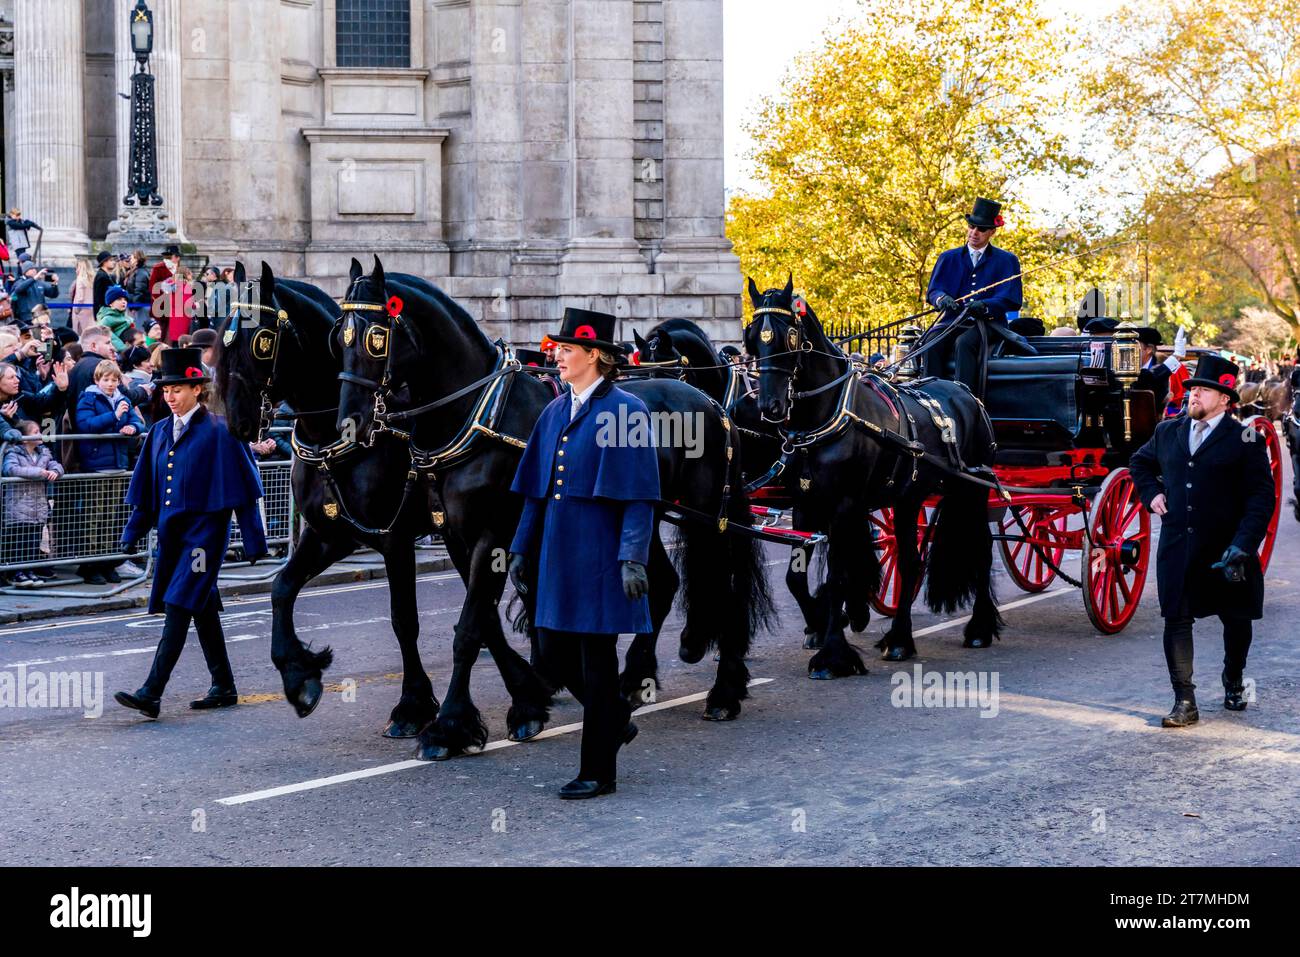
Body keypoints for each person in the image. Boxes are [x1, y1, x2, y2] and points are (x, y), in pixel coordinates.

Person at [508, 307, 659, 799]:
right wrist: (519, 550)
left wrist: (633, 555)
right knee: (549, 652)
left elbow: (640, 493)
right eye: (557, 349)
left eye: (567, 350)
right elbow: (534, 492)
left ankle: (598, 771)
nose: (557, 357)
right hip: (557, 553)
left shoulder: (627, 410)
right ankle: (615, 718)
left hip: (600, 555)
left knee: (598, 665)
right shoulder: (553, 410)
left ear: (596, 356)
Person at [113, 348, 267, 718]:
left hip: (204, 540)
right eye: (166, 390)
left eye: (178, 389)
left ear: (198, 389)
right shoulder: (159, 432)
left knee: (180, 604)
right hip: (172, 538)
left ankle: (151, 691)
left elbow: (245, 489)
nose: (170, 397)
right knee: (202, 606)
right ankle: (224, 684)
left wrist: (253, 540)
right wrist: (131, 532)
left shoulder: (220, 430)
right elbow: (146, 491)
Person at [1129, 354, 1277, 728]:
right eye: (1192, 388)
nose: (1193, 394)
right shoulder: (1168, 431)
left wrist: (1244, 543)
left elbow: (1261, 497)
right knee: (1176, 619)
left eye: (1203, 390)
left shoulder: (1245, 438)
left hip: (1228, 549)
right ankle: (1184, 700)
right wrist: (1151, 494)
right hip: (1179, 545)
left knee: (1236, 619)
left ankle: (1233, 677)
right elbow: (1140, 463)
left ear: (1225, 398)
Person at [923, 198, 1028, 391]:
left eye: (981, 229)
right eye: (972, 227)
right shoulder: (948, 257)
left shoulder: (1007, 260)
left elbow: (1012, 298)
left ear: (992, 232)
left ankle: (965, 399)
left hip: (988, 324)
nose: (974, 233)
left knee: (964, 344)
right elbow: (933, 291)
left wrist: (986, 305)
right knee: (930, 342)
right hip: (952, 321)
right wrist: (941, 298)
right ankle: (930, 396)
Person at [76, 360, 145, 585]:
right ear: (97, 380)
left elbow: (138, 422)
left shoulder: (122, 399)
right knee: (93, 517)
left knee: (110, 516)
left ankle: (107, 562)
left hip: (117, 464)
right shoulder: (88, 398)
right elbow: (85, 425)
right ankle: (90, 565)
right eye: (106, 379)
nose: (110, 384)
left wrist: (132, 427)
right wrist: (114, 417)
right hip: (96, 465)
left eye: (114, 380)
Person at [2, 419, 63, 585]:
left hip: (38, 506)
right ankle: (17, 572)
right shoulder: (13, 452)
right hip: (19, 505)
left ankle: (29, 569)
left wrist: (55, 472)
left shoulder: (44, 452)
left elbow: (56, 465)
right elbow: (11, 469)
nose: (40, 434)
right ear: (24, 437)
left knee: (33, 540)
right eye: (35, 431)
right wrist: (40, 472)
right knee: (19, 540)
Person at [149, 245, 187, 344]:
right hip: (162, 306)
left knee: (171, 334)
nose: (178, 259)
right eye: (176, 256)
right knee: (160, 331)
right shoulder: (159, 268)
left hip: (175, 307)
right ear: (174, 257)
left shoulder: (179, 269)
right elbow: (153, 288)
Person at [10, 262, 58, 328]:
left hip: (41, 317)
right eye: (31, 269)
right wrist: (35, 278)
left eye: (35, 268)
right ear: (25, 271)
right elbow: (19, 289)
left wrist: (54, 284)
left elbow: (53, 295)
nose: (34, 270)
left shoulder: (39, 282)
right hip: (26, 319)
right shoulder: (19, 282)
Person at [96, 285, 135, 353]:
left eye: (125, 299)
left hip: (132, 347)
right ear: (111, 303)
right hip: (121, 352)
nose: (123, 302)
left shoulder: (127, 317)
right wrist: (123, 348)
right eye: (119, 299)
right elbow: (107, 334)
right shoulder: (108, 318)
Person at [73, 257, 99, 333]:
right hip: (92, 310)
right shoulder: (94, 279)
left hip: (82, 311)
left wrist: (76, 310)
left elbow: (80, 298)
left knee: (82, 336)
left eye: (77, 267)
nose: (76, 270)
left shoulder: (80, 279)